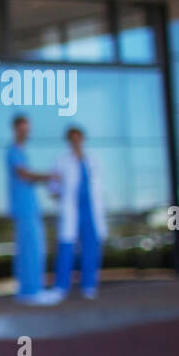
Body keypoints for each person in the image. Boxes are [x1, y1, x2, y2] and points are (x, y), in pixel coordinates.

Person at [6, 115, 63, 305]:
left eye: (27, 130)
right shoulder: (13, 152)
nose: (25, 133)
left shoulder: (22, 152)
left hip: (29, 208)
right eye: (22, 130)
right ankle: (30, 291)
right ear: (15, 129)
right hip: (24, 210)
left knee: (34, 248)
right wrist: (50, 176)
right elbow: (24, 175)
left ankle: (32, 289)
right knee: (30, 249)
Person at [50, 125, 107, 299]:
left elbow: (98, 188)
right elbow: (53, 187)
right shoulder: (61, 161)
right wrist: (60, 194)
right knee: (66, 247)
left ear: (82, 139)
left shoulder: (93, 160)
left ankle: (89, 285)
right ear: (68, 141)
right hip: (72, 209)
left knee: (91, 247)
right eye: (72, 139)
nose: (75, 142)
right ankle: (61, 286)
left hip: (91, 210)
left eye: (78, 138)